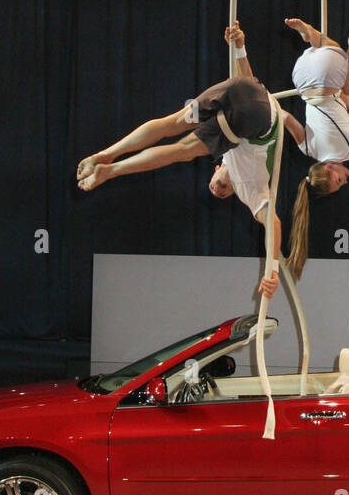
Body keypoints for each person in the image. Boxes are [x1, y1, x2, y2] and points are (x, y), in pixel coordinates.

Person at [76, 23, 296, 296]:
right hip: (254, 109)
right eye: (222, 191)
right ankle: (105, 156)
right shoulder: (249, 189)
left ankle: (108, 165)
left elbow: (250, 88)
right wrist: (271, 270)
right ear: (217, 167)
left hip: (245, 106)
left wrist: (239, 47)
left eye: (216, 190)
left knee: (179, 138)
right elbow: (273, 224)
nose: (219, 190)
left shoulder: (225, 148)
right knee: (175, 130)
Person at [279, 14, 349, 280]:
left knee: (338, 56)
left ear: (330, 168)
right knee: (336, 58)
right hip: (302, 78)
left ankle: (317, 37)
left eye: (340, 180)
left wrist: (338, 95)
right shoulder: (308, 150)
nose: (346, 180)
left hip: (327, 73)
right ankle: (319, 41)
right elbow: (286, 118)